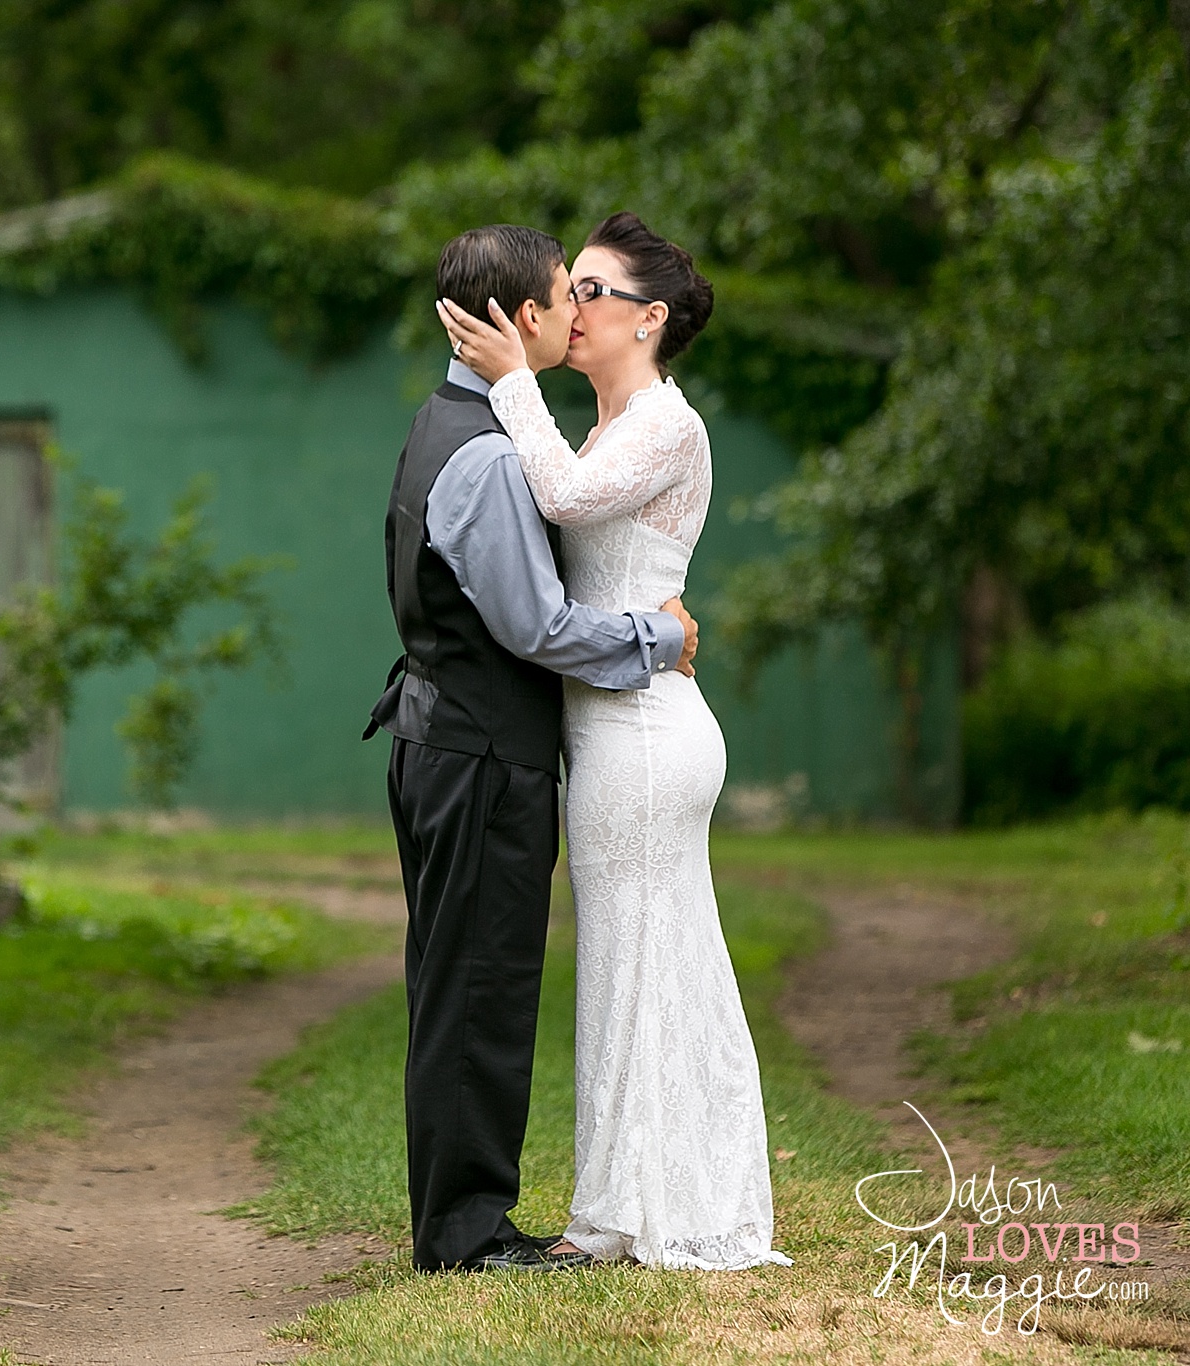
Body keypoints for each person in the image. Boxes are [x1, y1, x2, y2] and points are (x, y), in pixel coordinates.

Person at [435, 211, 790, 1270]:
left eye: (590, 290)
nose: (569, 307)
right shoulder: (606, 422)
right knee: (632, 961)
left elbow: (564, 496)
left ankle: (649, 1207)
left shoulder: (662, 423)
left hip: (642, 734)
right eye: (568, 287)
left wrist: (508, 381)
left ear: (648, 318)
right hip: (613, 725)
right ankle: (634, 1197)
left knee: (643, 959)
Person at [364, 223, 697, 1273]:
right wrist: (659, 635)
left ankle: (456, 1223)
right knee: (481, 989)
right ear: (518, 319)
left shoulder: (442, 420)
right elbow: (539, 627)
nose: (572, 314)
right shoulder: (486, 461)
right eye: (562, 296)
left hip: (445, 740)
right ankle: (464, 1237)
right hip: (478, 756)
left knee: (460, 984)